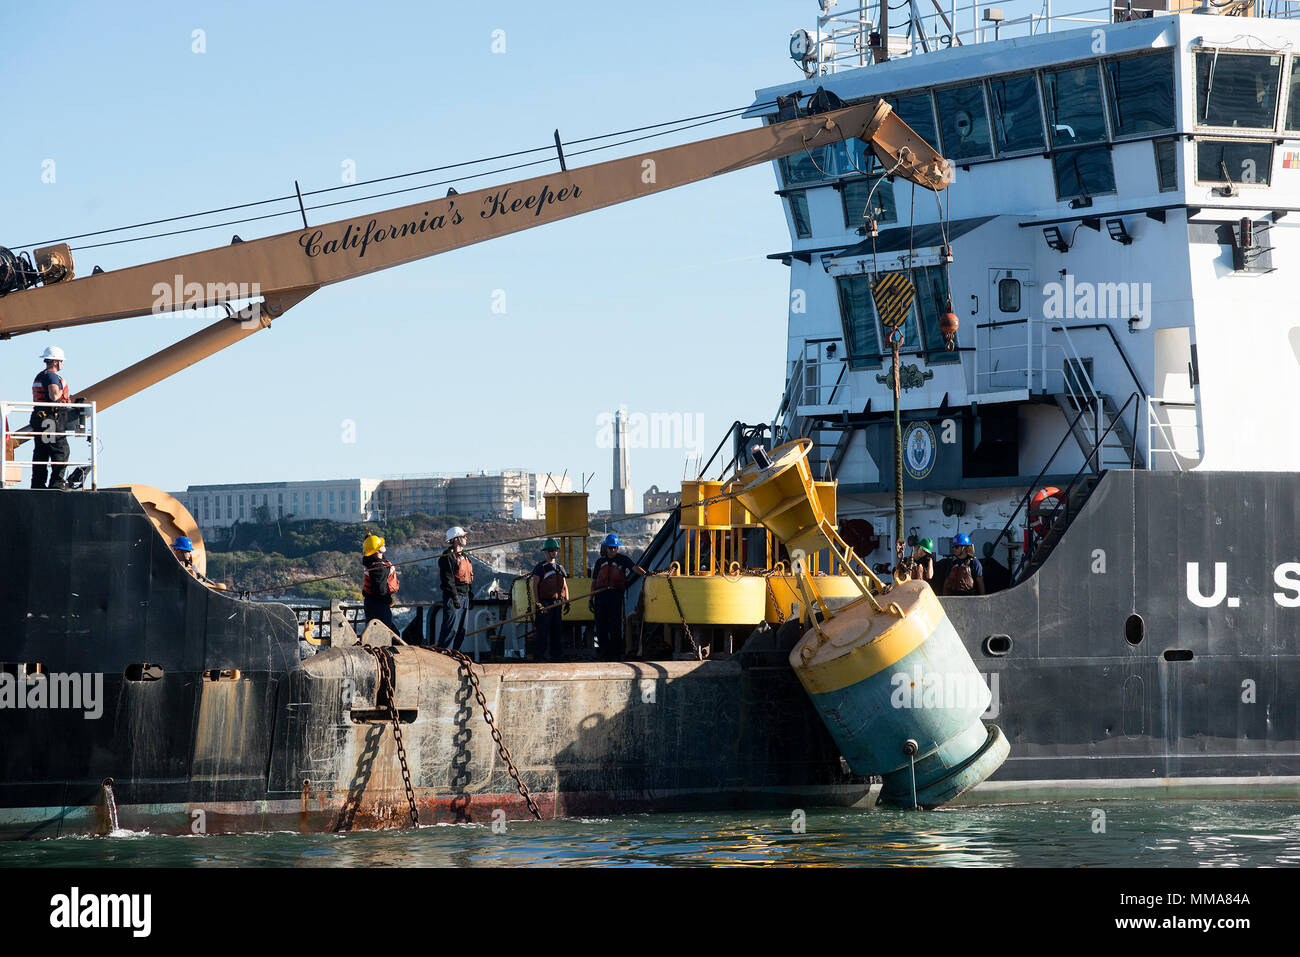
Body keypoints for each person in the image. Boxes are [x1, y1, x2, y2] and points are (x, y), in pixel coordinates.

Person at [589, 533, 647, 661]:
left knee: (615, 627)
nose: (613, 550)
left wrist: (647, 574)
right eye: (610, 547)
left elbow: (634, 568)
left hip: (615, 597)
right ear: (606, 548)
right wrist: (590, 599)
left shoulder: (623, 560)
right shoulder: (600, 562)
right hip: (601, 597)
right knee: (601, 627)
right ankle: (604, 654)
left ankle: (616, 654)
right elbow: (594, 582)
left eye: (615, 547)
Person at [30, 346, 71, 490]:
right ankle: (57, 485)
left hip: (40, 418)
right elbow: (54, 396)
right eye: (61, 361)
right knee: (60, 451)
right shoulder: (52, 376)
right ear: (55, 362)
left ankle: (37, 485)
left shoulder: (40, 375)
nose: (62, 364)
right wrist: (62, 392)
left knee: (41, 452)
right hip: (50, 420)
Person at [530, 538, 570, 662]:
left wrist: (567, 600)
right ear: (545, 552)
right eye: (551, 550)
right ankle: (540, 656)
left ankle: (556, 656)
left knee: (556, 630)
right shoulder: (540, 567)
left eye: (555, 550)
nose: (553, 552)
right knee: (542, 630)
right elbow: (535, 585)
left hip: (557, 604)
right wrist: (538, 603)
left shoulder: (560, 568)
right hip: (545, 603)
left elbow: (564, 584)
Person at [437, 526, 473, 651]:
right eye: (463, 536)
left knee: (462, 629)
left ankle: (455, 653)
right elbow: (448, 580)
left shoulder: (464, 556)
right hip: (453, 597)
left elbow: (467, 576)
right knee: (450, 628)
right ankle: (444, 654)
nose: (466, 538)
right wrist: (455, 597)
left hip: (465, 596)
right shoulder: (447, 557)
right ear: (456, 539)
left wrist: (470, 593)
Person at [361, 534, 399, 631]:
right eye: (381, 545)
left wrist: (369, 539)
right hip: (379, 604)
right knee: (384, 633)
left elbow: (380, 558)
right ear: (376, 550)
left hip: (372, 603)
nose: (384, 545)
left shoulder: (373, 561)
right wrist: (388, 600)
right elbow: (379, 589)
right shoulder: (379, 568)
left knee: (386, 632)